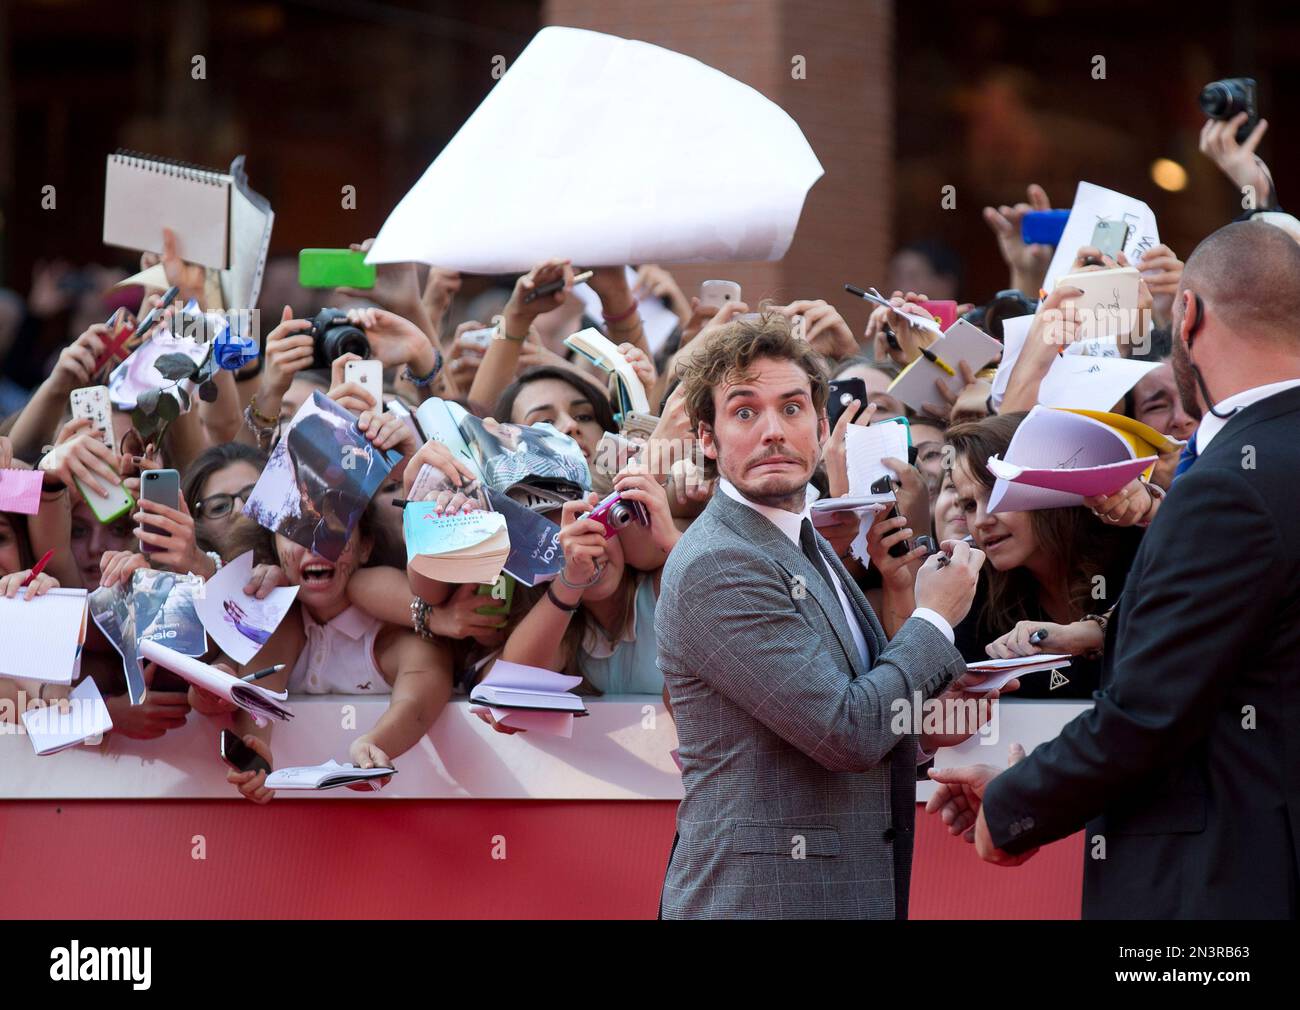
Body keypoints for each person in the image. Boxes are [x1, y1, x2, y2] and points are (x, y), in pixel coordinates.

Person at [928, 220, 1300, 918]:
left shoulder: (1227, 488)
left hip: (1225, 891)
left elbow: (1148, 714)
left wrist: (1015, 804)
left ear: (1186, 316)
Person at [656, 314, 992, 919]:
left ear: (819, 426)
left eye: (791, 409)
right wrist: (934, 622)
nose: (773, 432)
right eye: (744, 412)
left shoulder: (802, 537)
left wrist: (929, 706)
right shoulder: (719, 563)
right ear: (707, 439)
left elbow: (845, 711)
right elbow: (845, 731)